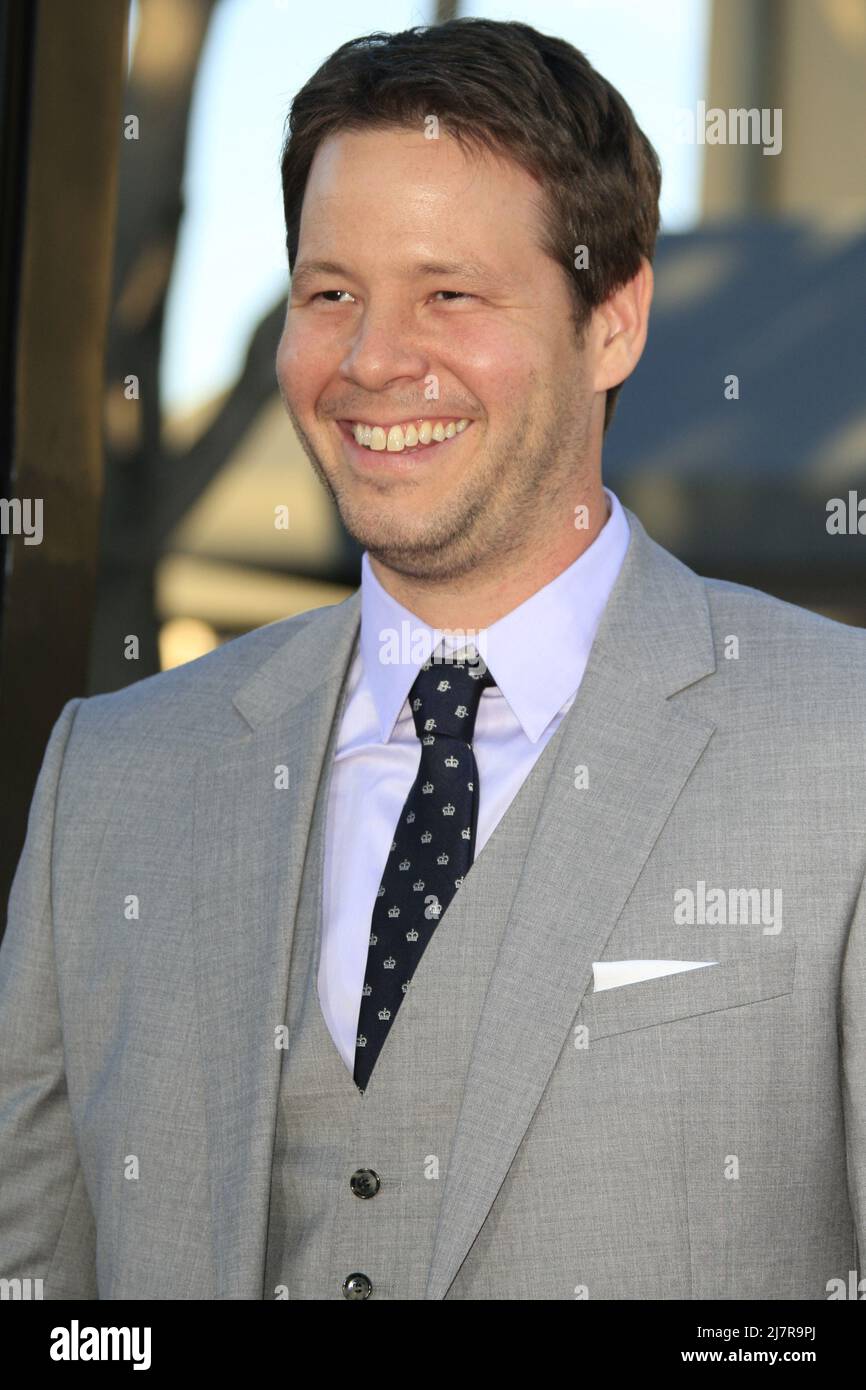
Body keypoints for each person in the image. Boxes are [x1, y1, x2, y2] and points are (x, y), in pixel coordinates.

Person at [1, 17, 864, 1302]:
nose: (370, 361)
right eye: (329, 291)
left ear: (613, 322)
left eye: (448, 293)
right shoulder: (110, 778)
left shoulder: (838, 751)